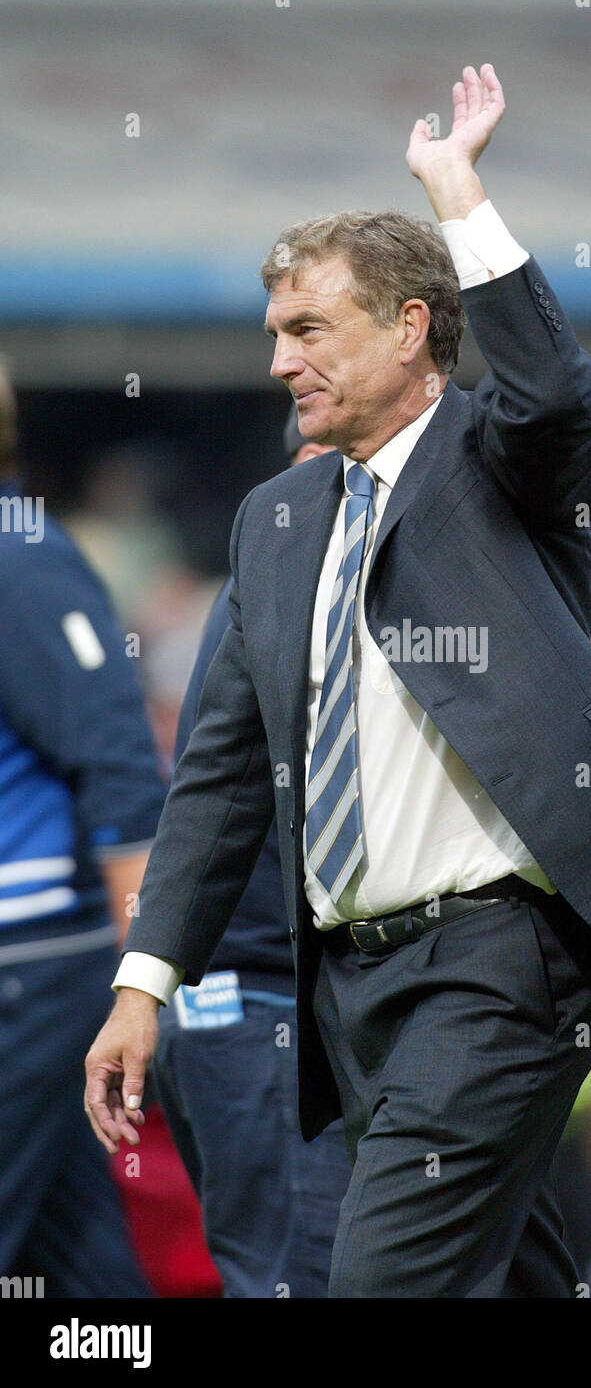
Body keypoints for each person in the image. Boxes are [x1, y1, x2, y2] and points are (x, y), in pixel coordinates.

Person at [85, 64, 591, 1298]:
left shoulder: (495, 459)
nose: (279, 364)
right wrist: (145, 980)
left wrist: (455, 194)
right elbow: (216, 777)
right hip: (349, 988)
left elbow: (551, 393)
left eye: (308, 331)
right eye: (273, 336)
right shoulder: (274, 518)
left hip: (497, 966)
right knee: (506, 1280)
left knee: (375, 1285)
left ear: (410, 328)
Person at [151, 415, 350, 1298]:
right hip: (260, 1007)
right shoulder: (284, 594)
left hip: (252, 1013)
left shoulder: (291, 590)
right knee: (294, 1281)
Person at [0, 363, 164, 1297]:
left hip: (28, 961)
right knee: (83, 1273)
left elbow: (121, 774)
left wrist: (137, 998)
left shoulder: (20, 554)